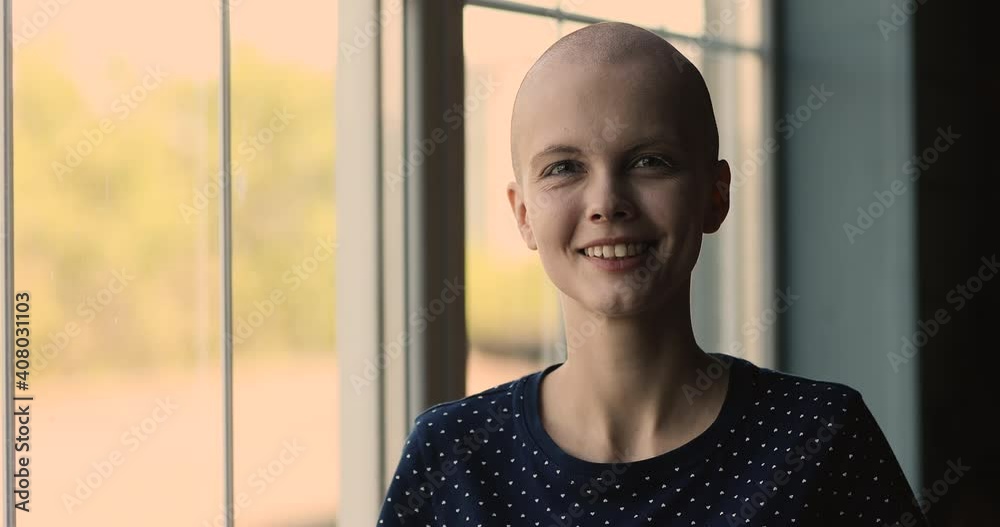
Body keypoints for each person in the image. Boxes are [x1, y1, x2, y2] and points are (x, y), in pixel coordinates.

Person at [377, 21, 929, 526]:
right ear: (524, 215)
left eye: (649, 161)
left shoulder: (821, 438)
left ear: (715, 196)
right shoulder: (451, 454)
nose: (607, 202)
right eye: (564, 168)